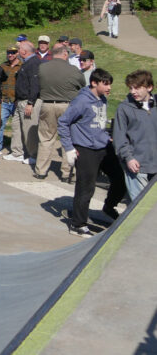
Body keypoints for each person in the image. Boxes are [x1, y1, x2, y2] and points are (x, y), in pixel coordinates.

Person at [58, 69, 126, 237]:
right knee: (86, 188)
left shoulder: (102, 99)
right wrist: (68, 148)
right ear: (94, 83)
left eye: (110, 84)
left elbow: (99, 123)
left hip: (102, 146)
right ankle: (78, 224)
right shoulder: (81, 101)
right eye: (106, 84)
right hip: (85, 149)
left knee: (120, 177)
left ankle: (109, 206)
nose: (109, 88)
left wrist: (106, 138)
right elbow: (63, 122)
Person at [35, 44, 86, 181]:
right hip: (67, 106)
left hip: (47, 104)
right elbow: (82, 84)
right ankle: (66, 172)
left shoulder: (42, 68)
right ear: (65, 54)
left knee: (46, 138)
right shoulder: (73, 69)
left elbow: (38, 83)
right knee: (67, 138)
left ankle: (41, 170)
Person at [114, 70, 157, 202]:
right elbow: (119, 138)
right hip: (136, 165)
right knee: (140, 207)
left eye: (137, 88)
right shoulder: (124, 108)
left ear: (149, 87)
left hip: (155, 164)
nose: (133, 91)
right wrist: (129, 158)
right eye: (131, 88)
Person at [0, 46, 23, 161]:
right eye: (9, 53)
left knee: (18, 127)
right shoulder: (3, 66)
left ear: (17, 53)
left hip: (17, 101)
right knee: (0, 123)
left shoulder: (22, 66)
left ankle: (18, 150)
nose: (10, 55)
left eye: (13, 53)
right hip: (4, 100)